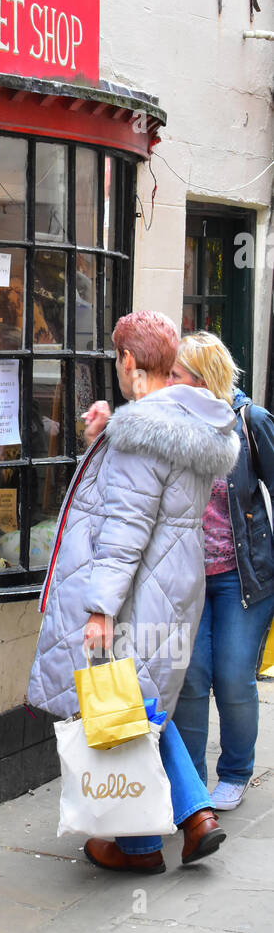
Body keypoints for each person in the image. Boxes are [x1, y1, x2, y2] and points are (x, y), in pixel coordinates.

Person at [27, 311, 240, 873]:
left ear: (128, 362)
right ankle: (194, 817)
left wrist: (99, 608)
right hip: (177, 580)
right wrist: (114, 424)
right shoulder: (185, 420)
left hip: (138, 585)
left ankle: (141, 845)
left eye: (116, 361)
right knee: (142, 702)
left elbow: (125, 528)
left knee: (126, 706)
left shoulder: (141, 432)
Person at [167, 332, 274, 809]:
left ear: (203, 381)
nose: (169, 383)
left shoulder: (250, 423)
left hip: (242, 575)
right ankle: (191, 788)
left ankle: (235, 772)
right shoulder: (169, 425)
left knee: (233, 675)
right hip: (187, 579)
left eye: (177, 375)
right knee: (190, 678)